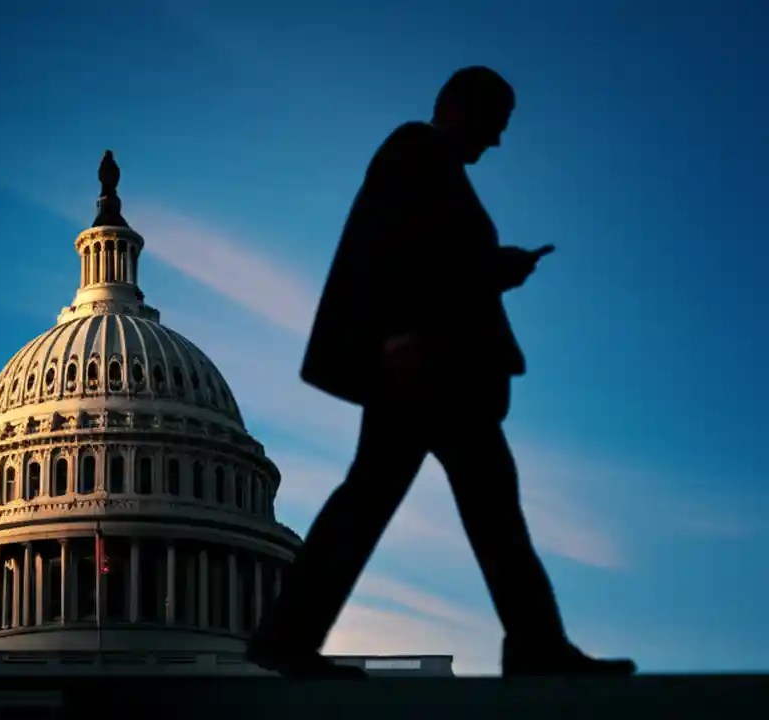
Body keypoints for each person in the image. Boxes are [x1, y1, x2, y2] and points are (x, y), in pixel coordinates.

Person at [245, 66, 636, 679]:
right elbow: (390, 246)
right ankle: (533, 644)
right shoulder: (415, 149)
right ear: (461, 107)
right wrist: (398, 332)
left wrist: (499, 267)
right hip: (426, 371)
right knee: (437, 506)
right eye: (495, 124)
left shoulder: (436, 167)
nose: (498, 141)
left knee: (465, 508)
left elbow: (443, 264)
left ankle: (289, 635)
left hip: (444, 374)